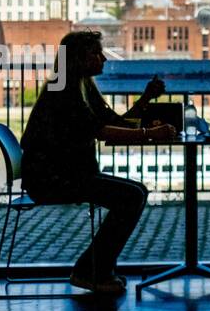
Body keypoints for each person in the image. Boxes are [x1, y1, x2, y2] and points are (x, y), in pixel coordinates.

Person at [20, 30, 175, 295]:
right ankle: (91, 270)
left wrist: (146, 100)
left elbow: (115, 122)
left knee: (135, 194)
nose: (103, 58)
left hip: (61, 175)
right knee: (131, 196)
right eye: (96, 53)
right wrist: (149, 134)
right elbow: (101, 131)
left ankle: (97, 269)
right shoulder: (67, 92)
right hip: (55, 180)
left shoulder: (79, 87)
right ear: (79, 59)